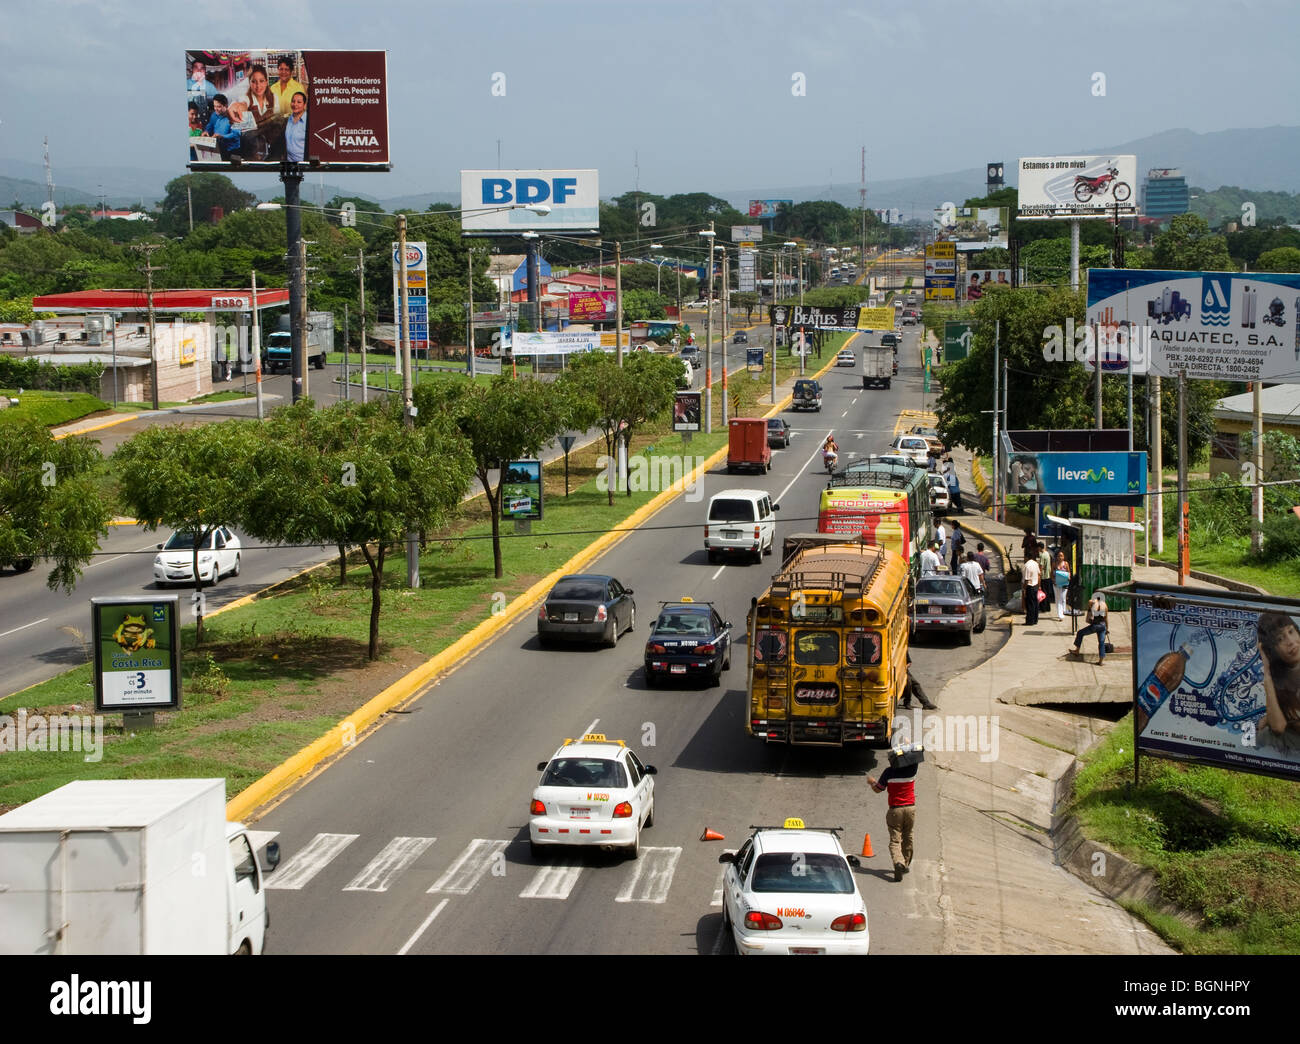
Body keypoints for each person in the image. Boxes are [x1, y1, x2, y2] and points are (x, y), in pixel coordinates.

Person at [868, 750, 920, 882]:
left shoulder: (888, 772)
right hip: (911, 808)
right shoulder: (912, 768)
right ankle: (905, 864)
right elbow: (915, 755)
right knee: (908, 836)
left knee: (895, 840)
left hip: (895, 810)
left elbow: (878, 789)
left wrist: (872, 782)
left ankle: (898, 862)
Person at [1256, 612, 1300, 752]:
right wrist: (1267, 675)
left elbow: (1277, 728)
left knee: (1264, 735)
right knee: (1261, 734)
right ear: (1272, 650)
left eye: (1291, 631)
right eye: (1280, 639)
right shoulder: (1281, 678)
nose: (1291, 642)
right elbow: (1278, 726)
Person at [1070, 591, 1108, 663]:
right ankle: (1101, 661)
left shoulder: (1093, 603)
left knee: (1080, 633)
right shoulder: (1105, 605)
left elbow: (1091, 615)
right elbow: (1106, 618)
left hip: (1096, 625)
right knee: (1101, 642)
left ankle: (1077, 650)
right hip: (1103, 625)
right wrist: (1107, 628)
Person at [202, 94, 241, 160]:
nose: (216, 109)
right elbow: (210, 125)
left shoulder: (234, 116)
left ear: (225, 106)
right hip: (218, 150)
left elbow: (237, 134)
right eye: (215, 106)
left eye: (219, 106)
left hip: (232, 152)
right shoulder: (214, 115)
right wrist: (206, 131)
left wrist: (222, 136)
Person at [187, 58, 217, 122]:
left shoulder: (210, 87)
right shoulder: (186, 84)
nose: (199, 71)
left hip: (205, 121)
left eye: (202, 69)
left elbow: (218, 103)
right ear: (192, 70)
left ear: (205, 71)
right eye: (196, 68)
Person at [284, 90, 307, 162]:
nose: (295, 104)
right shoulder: (289, 119)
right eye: (293, 101)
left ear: (304, 105)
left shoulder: (307, 122)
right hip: (289, 162)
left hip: (302, 163)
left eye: (299, 102)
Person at [1022, 550, 1041, 625]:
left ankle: (1030, 621)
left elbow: (1026, 579)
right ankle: (1035, 619)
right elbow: (1039, 575)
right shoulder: (1035, 563)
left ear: (1026, 557)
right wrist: (1039, 586)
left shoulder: (1027, 565)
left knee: (1030, 605)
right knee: (1035, 604)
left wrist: (1024, 589)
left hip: (1030, 586)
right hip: (1035, 585)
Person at [1052, 552, 1071, 621]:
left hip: (1064, 583)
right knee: (1058, 599)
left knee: (1063, 597)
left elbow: (1068, 572)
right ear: (1057, 557)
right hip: (1056, 583)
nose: (1060, 557)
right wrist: (1053, 580)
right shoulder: (1054, 564)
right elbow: (1052, 573)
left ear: (1063, 557)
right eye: (1059, 556)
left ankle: (1063, 611)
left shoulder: (1066, 564)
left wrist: (1069, 577)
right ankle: (1060, 614)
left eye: (1061, 556)